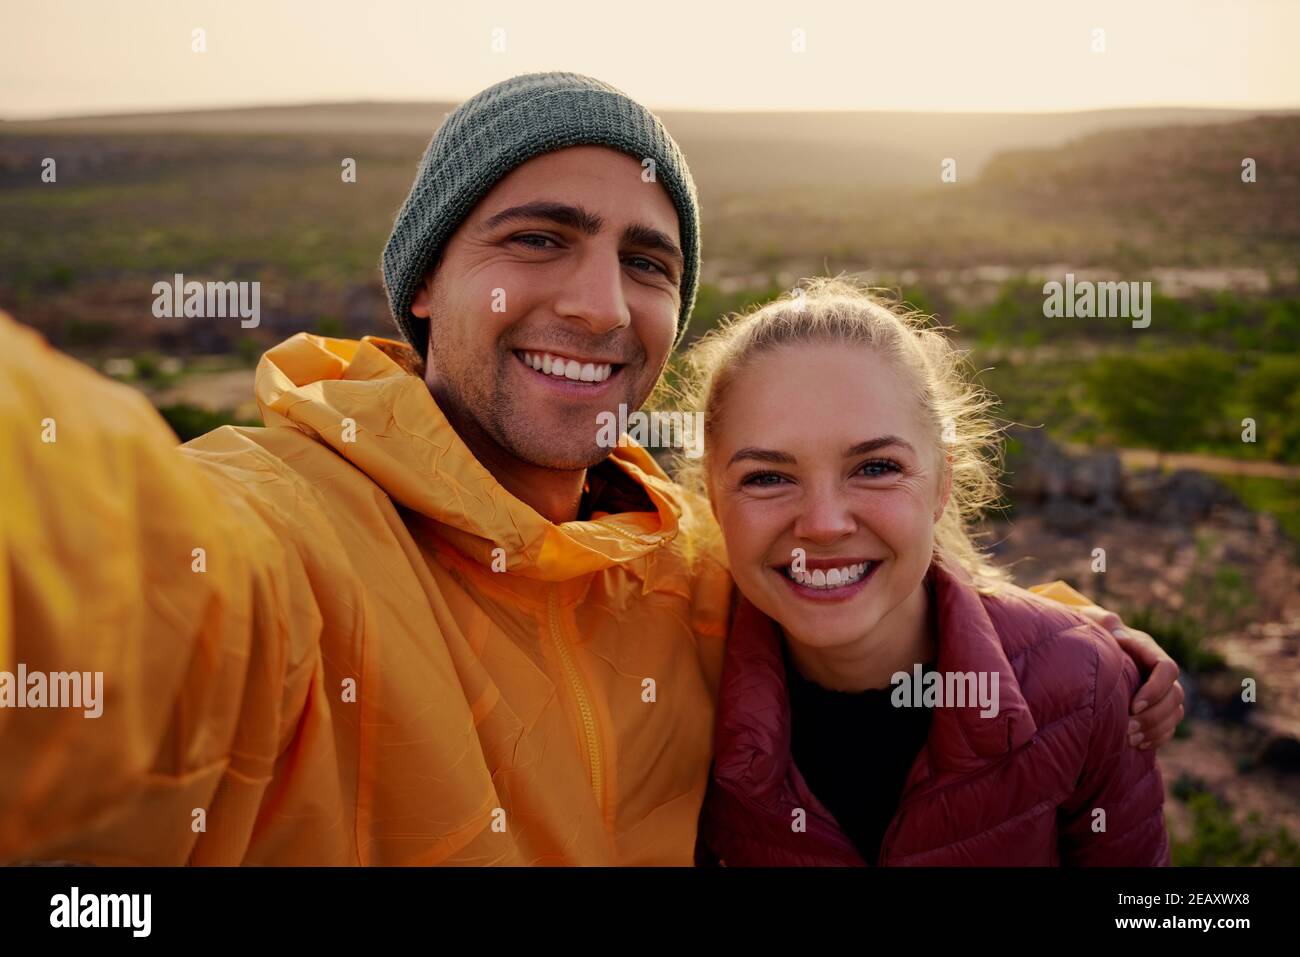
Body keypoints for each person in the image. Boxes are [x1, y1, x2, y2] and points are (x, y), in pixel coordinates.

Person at [0, 74, 1181, 866]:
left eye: (649, 262)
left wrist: (1068, 643)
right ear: (422, 283)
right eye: (538, 239)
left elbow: (852, 591)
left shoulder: (682, 573)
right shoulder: (290, 537)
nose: (601, 305)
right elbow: (111, 584)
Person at [688, 280, 1169, 865]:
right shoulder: (676, 696)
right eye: (767, 477)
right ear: (713, 496)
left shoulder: (1083, 690)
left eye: (875, 467)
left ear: (942, 483)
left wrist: (1077, 648)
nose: (823, 524)